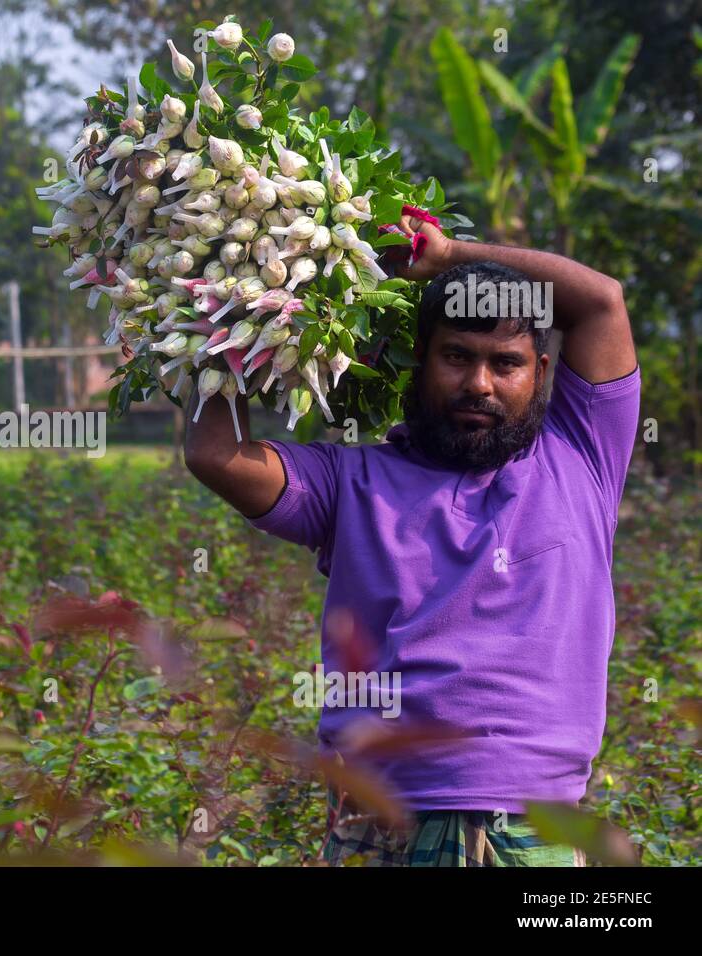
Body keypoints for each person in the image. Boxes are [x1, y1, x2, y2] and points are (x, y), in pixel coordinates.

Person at [183, 215, 639, 866]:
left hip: (532, 831)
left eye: (505, 363)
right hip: (381, 826)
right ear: (419, 361)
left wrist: (448, 255)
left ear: (540, 371)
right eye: (457, 357)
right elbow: (215, 455)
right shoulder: (349, 482)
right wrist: (224, 302)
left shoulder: (582, 458)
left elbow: (601, 302)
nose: (479, 384)